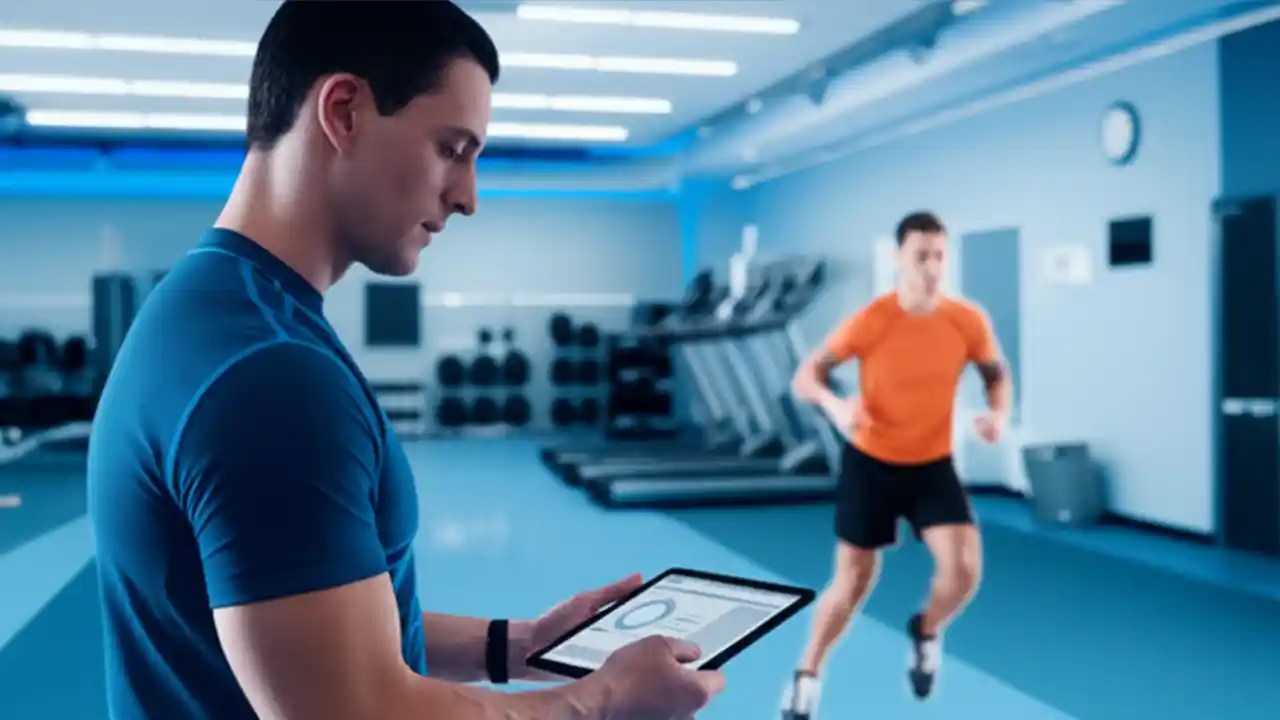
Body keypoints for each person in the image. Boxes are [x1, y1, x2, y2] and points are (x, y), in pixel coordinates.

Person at [85, 3, 724, 718]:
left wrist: (520, 644)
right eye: (452, 149)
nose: (468, 197)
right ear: (345, 110)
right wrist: (600, 700)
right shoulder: (272, 377)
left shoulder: (203, 312)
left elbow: (314, 633)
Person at [779, 211, 1011, 718]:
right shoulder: (873, 319)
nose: (931, 266)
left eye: (938, 256)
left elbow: (996, 374)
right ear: (898, 258)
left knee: (964, 570)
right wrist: (838, 406)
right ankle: (807, 675)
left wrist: (998, 412)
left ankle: (926, 630)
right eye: (921, 255)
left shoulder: (966, 320)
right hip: (872, 463)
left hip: (931, 465)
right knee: (853, 582)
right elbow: (806, 377)